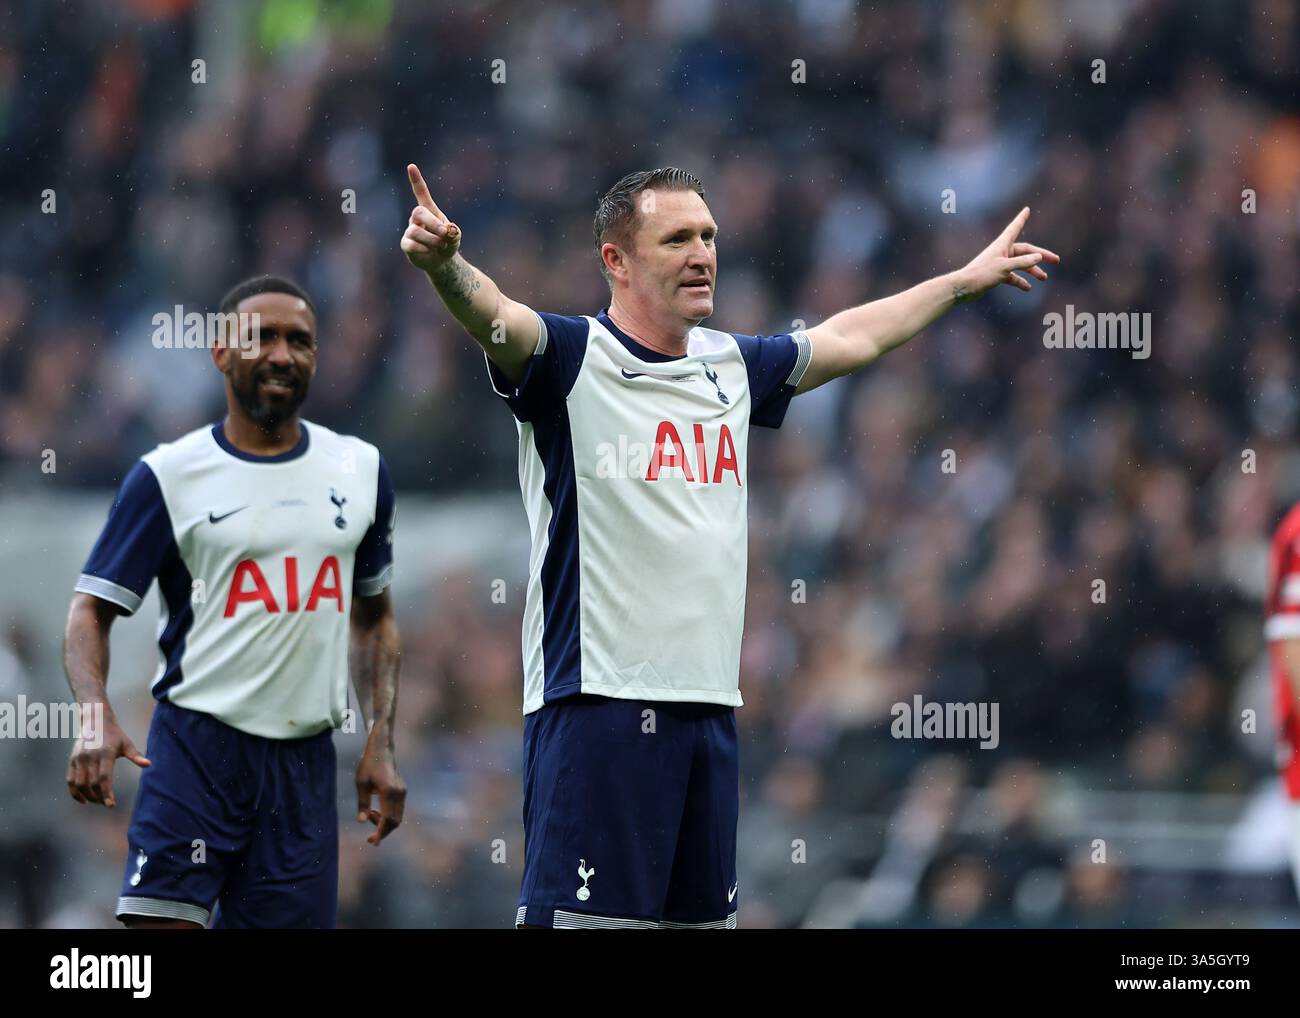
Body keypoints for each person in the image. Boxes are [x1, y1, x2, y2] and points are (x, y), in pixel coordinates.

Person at [400, 163, 1058, 928]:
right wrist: (447, 267)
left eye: (708, 236)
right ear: (616, 261)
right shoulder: (573, 359)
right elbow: (498, 319)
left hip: (708, 714)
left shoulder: (730, 366)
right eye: (676, 238)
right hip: (597, 706)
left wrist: (959, 283)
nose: (702, 253)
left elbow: (847, 337)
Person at [63, 275, 405, 928]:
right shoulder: (167, 474)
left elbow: (376, 616)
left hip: (305, 768)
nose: (282, 354)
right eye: (263, 337)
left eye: (300, 341)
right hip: (196, 751)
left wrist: (381, 740)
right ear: (222, 351)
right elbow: (90, 610)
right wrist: (93, 713)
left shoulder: (360, 469)